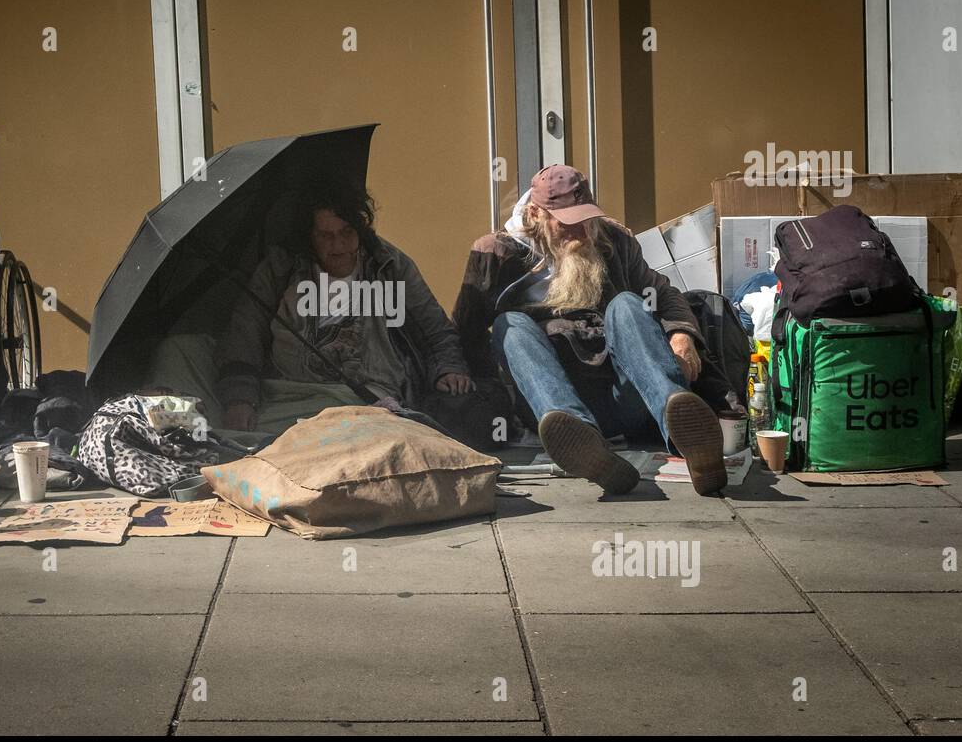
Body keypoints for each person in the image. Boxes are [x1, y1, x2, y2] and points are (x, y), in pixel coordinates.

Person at [453, 164, 730, 496]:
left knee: (627, 303)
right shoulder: (496, 253)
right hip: (553, 399)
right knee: (509, 324)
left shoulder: (613, 240)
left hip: (625, 392)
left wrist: (681, 334)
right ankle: (581, 444)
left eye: (585, 218)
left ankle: (685, 431)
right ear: (535, 213)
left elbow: (664, 293)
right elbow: (466, 331)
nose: (580, 230)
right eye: (567, 222)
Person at [216, 185, 473, 434]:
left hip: (370, 395)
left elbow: (434, 328)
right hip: (291, 393)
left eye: (347, 232)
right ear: (309, 237)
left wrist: (449, 369)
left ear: (361, 229)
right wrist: (239, 399)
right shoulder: (281, 267)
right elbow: (245, 332)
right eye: (326, 236)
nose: (338, 246)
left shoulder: (389, 264)